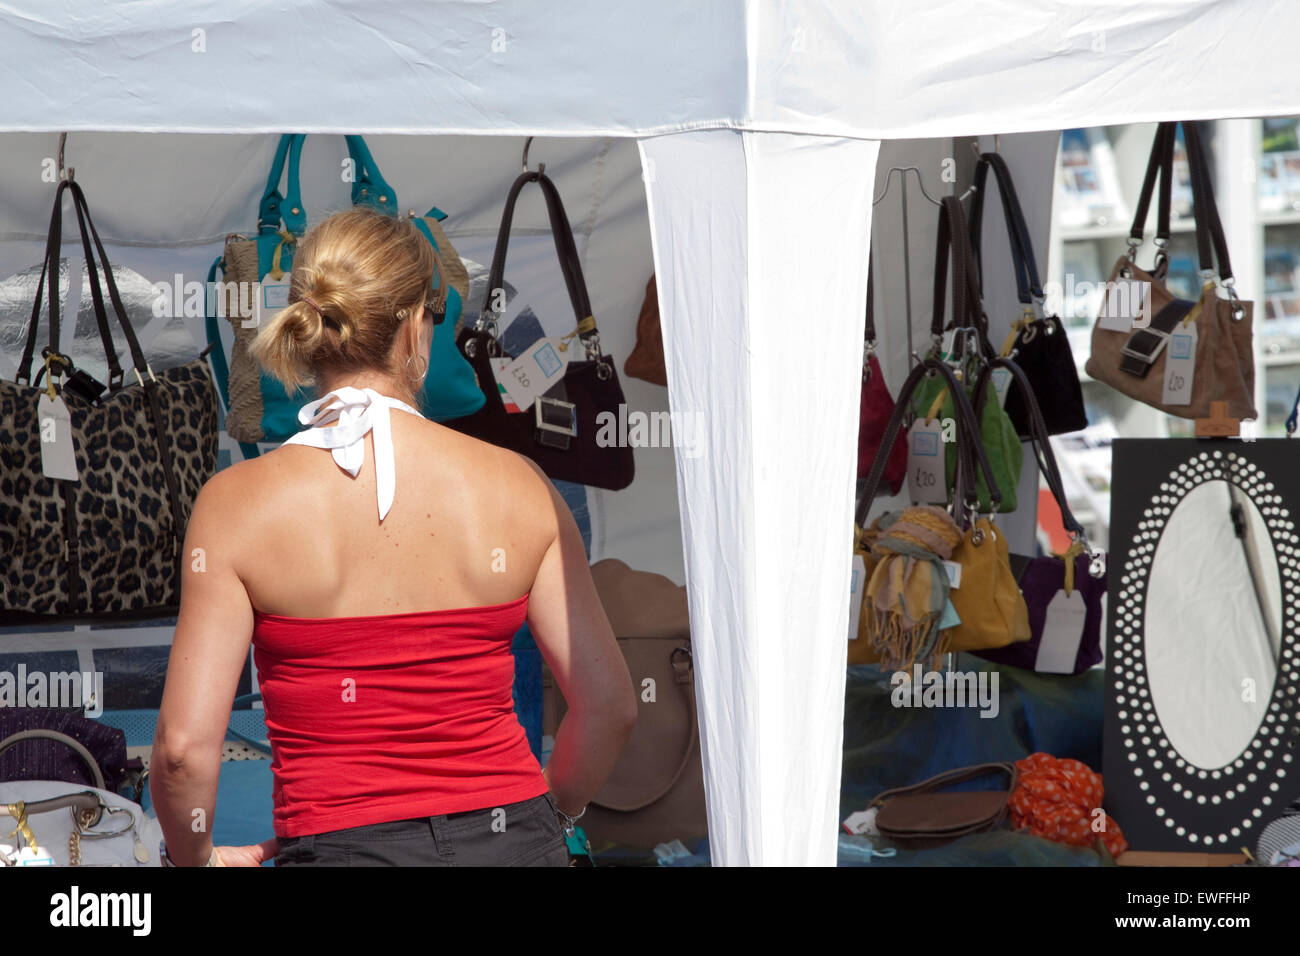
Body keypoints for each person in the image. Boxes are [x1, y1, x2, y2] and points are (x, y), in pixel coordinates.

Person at [150, 207, 637, 866]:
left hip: (342, 848)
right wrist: (556, 813)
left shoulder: (236, 507)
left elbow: (182, 753)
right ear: (414, 328)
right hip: (515, 837)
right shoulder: (520, 486)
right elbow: (609, 706)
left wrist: (198, 858)